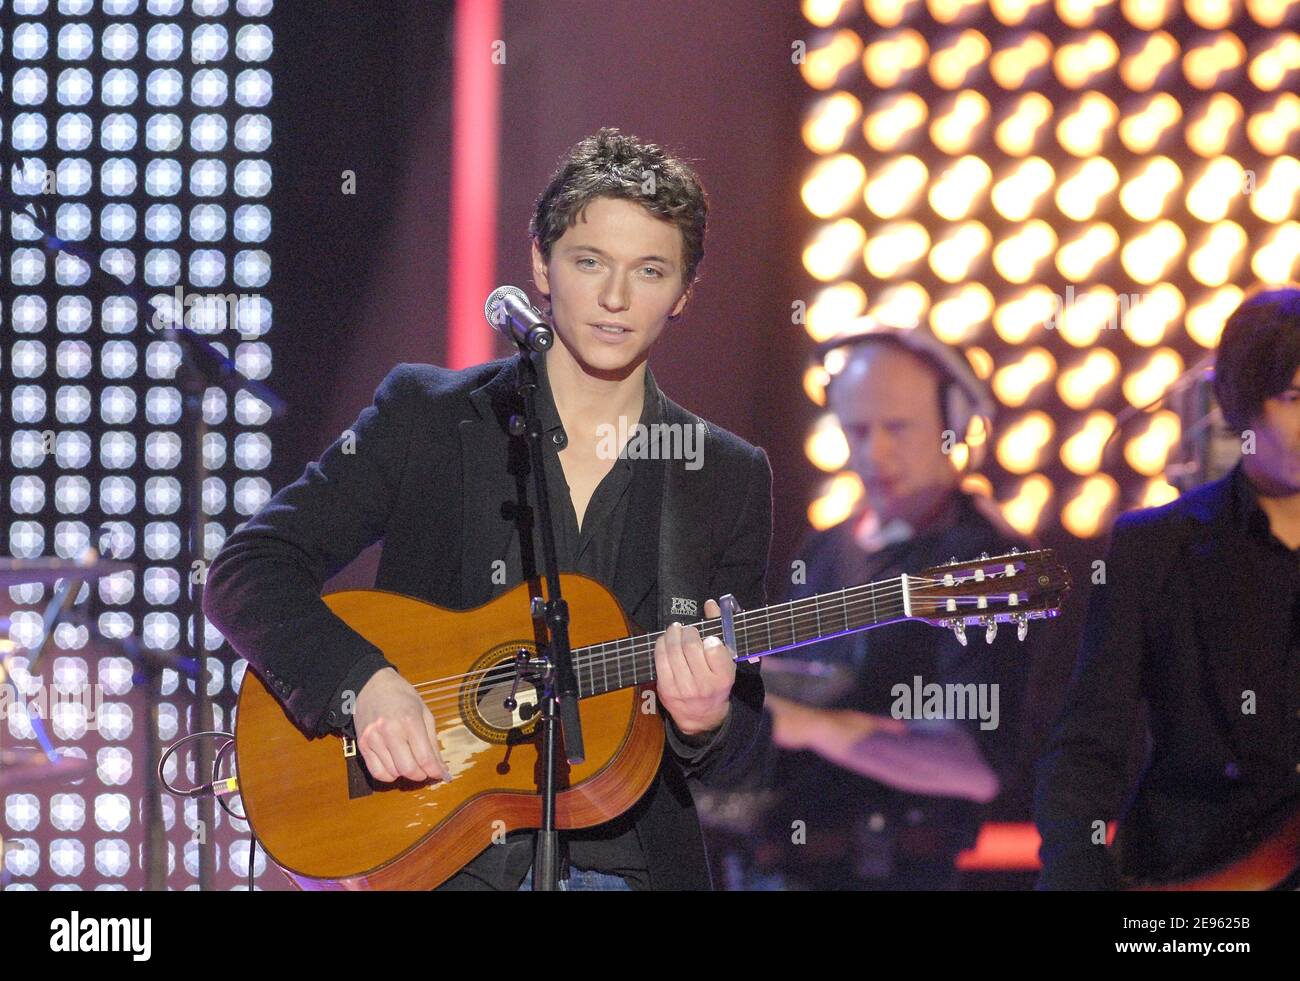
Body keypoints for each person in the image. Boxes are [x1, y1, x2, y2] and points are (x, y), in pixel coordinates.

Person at [204, 128, 773, 891]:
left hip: (630, 866)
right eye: (589, 262)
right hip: (438, 854)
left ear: (684, 291)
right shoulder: (428, 416)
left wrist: (706, 718)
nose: (615, 298)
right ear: (541, 263)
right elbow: (246, 569)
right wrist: (362, 681)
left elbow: (745, 735)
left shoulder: (726, 475)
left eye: (649, 271)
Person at [703, 323, 1030, 890]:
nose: (874, 452)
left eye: (897, 428)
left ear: (955, 425)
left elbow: (974, 769)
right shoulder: (825, 548)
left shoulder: (985, 561)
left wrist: (809, 725)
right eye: (857, 430)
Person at [1034, 286, 1300, 889]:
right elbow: (1088, 746)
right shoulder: (1153, 550)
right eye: (1295, 398)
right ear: (1240, 404)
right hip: (1196, 881)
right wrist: (1078, 870)